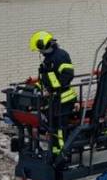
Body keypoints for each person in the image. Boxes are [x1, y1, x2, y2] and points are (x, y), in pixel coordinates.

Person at [29, 30, 77, 158]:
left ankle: (64, 155)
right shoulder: (48, 59)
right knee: (53, 126)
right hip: (55, 98)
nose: (40, 52)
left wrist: (52, 89)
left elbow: (68, 75)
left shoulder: (61, 56)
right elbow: (46, 79)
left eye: (40, 49)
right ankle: (55, 152)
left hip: (64, 98)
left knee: (60, 127)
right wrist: (36, 88)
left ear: (44, 45)